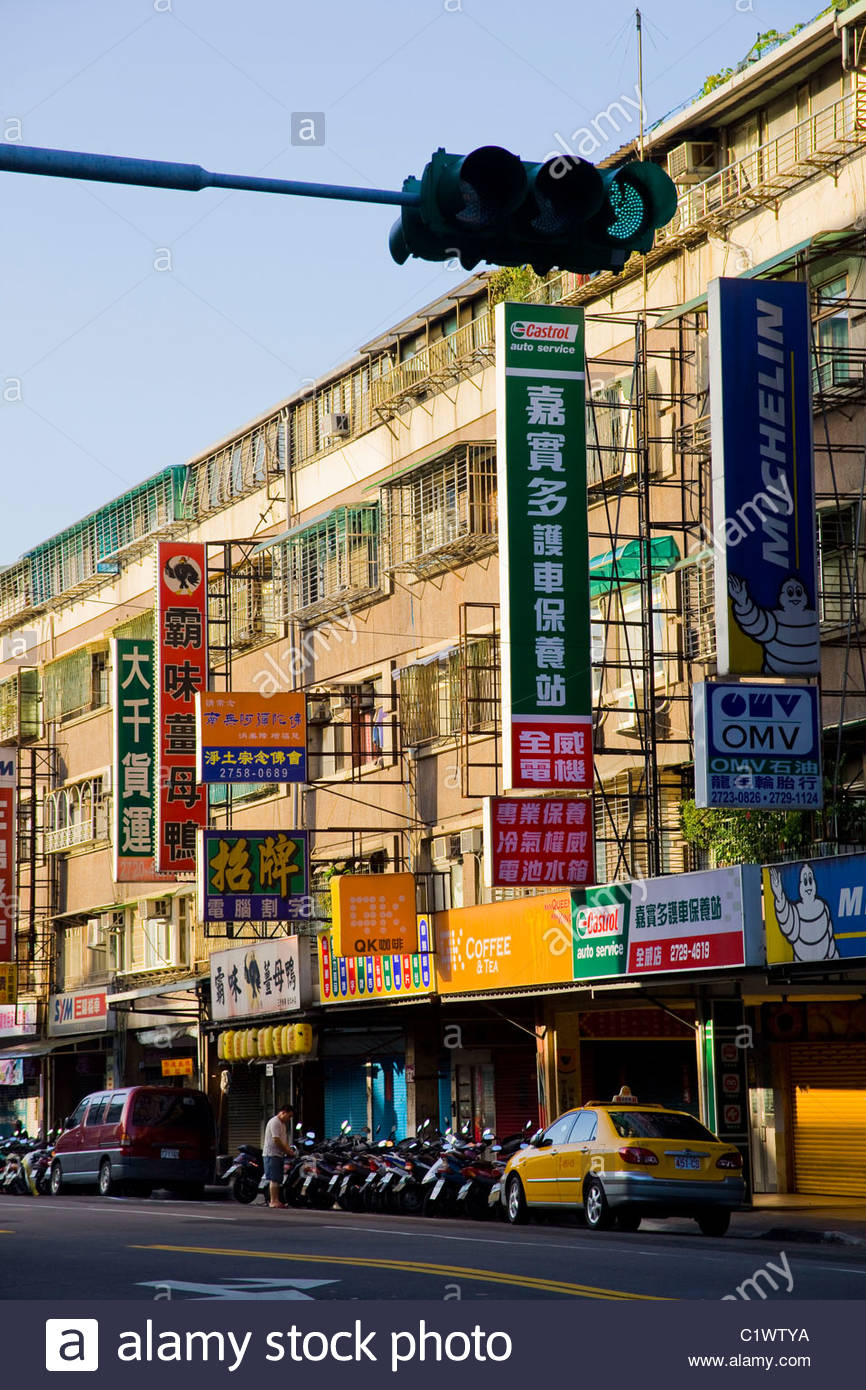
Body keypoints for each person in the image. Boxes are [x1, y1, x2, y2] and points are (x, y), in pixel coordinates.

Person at [262, 1103, 294, 1209]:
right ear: (283, 1113)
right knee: (274, 1179)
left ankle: (277, 1200)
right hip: (271, 1154)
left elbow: (283, 1140)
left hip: (279, 1154)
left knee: (277, 1179)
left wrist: (288, 1150)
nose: (289, 1119)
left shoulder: (283, 1124)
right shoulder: (275, 1122)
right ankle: (273, 1201)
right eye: (289, 1116)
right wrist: (287, 1151)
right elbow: (276, 1140)